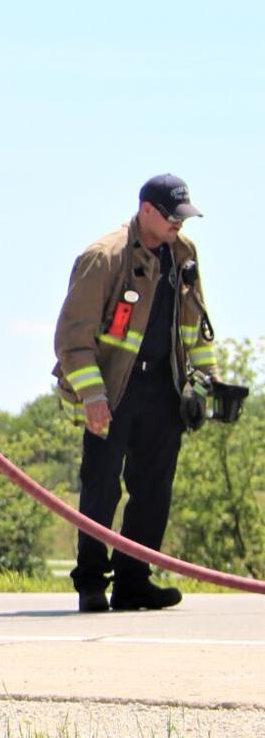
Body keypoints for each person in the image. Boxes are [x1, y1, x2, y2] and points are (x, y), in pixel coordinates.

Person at [52, 174, 218, 613]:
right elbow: (72, 339)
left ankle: (133, 581)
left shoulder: (184, 255)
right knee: (102, 487)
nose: (178, 226)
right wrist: (93, 397)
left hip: (163, 390)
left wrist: (206, 381)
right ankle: (91, 584)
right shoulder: (103, 258)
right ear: (146, 210)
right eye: (171, 218)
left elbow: (196, 327)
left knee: (153, 489)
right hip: (114, 389)